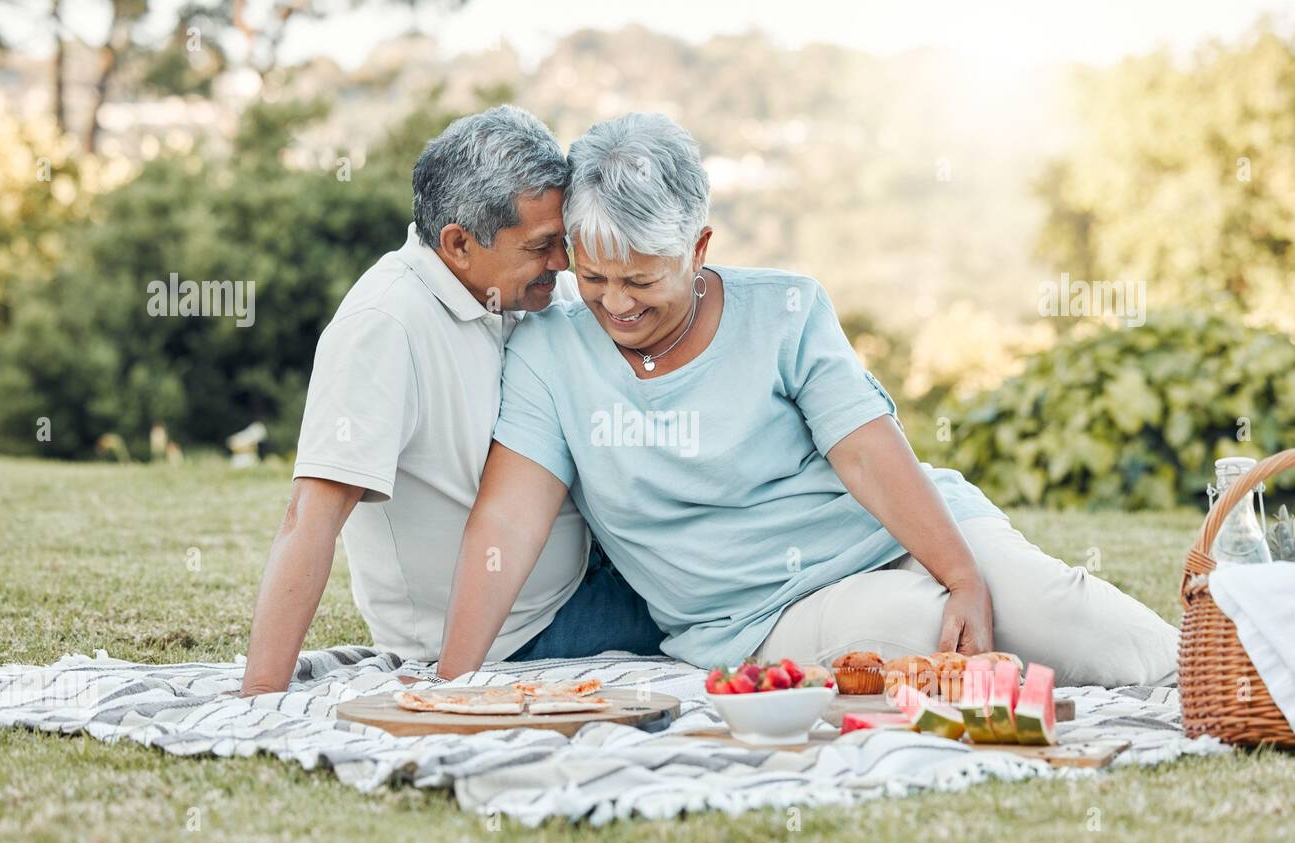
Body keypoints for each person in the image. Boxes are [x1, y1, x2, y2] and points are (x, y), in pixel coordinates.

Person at [436, 112, 1178, 688]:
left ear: (698, 249)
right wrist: (451, 684)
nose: (615, 304)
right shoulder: (550, 350)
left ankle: (1251, 680)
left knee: (1079, 619)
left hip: (902, 531)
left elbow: (865, 450)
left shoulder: (787, 309)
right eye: (594, 279)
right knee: (923, 633)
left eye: (640, 281)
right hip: (762, 615)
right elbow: (509, 515)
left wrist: (963, 575)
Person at [237, 106, 663, 696]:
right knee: (729, 608)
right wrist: (260, 701)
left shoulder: (525, 292)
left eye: (561, 241)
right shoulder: (384, 327)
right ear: (458, 244)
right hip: (516, 635)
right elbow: (309, 522)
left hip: (585, 577)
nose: (562, 264)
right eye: (541, 246)